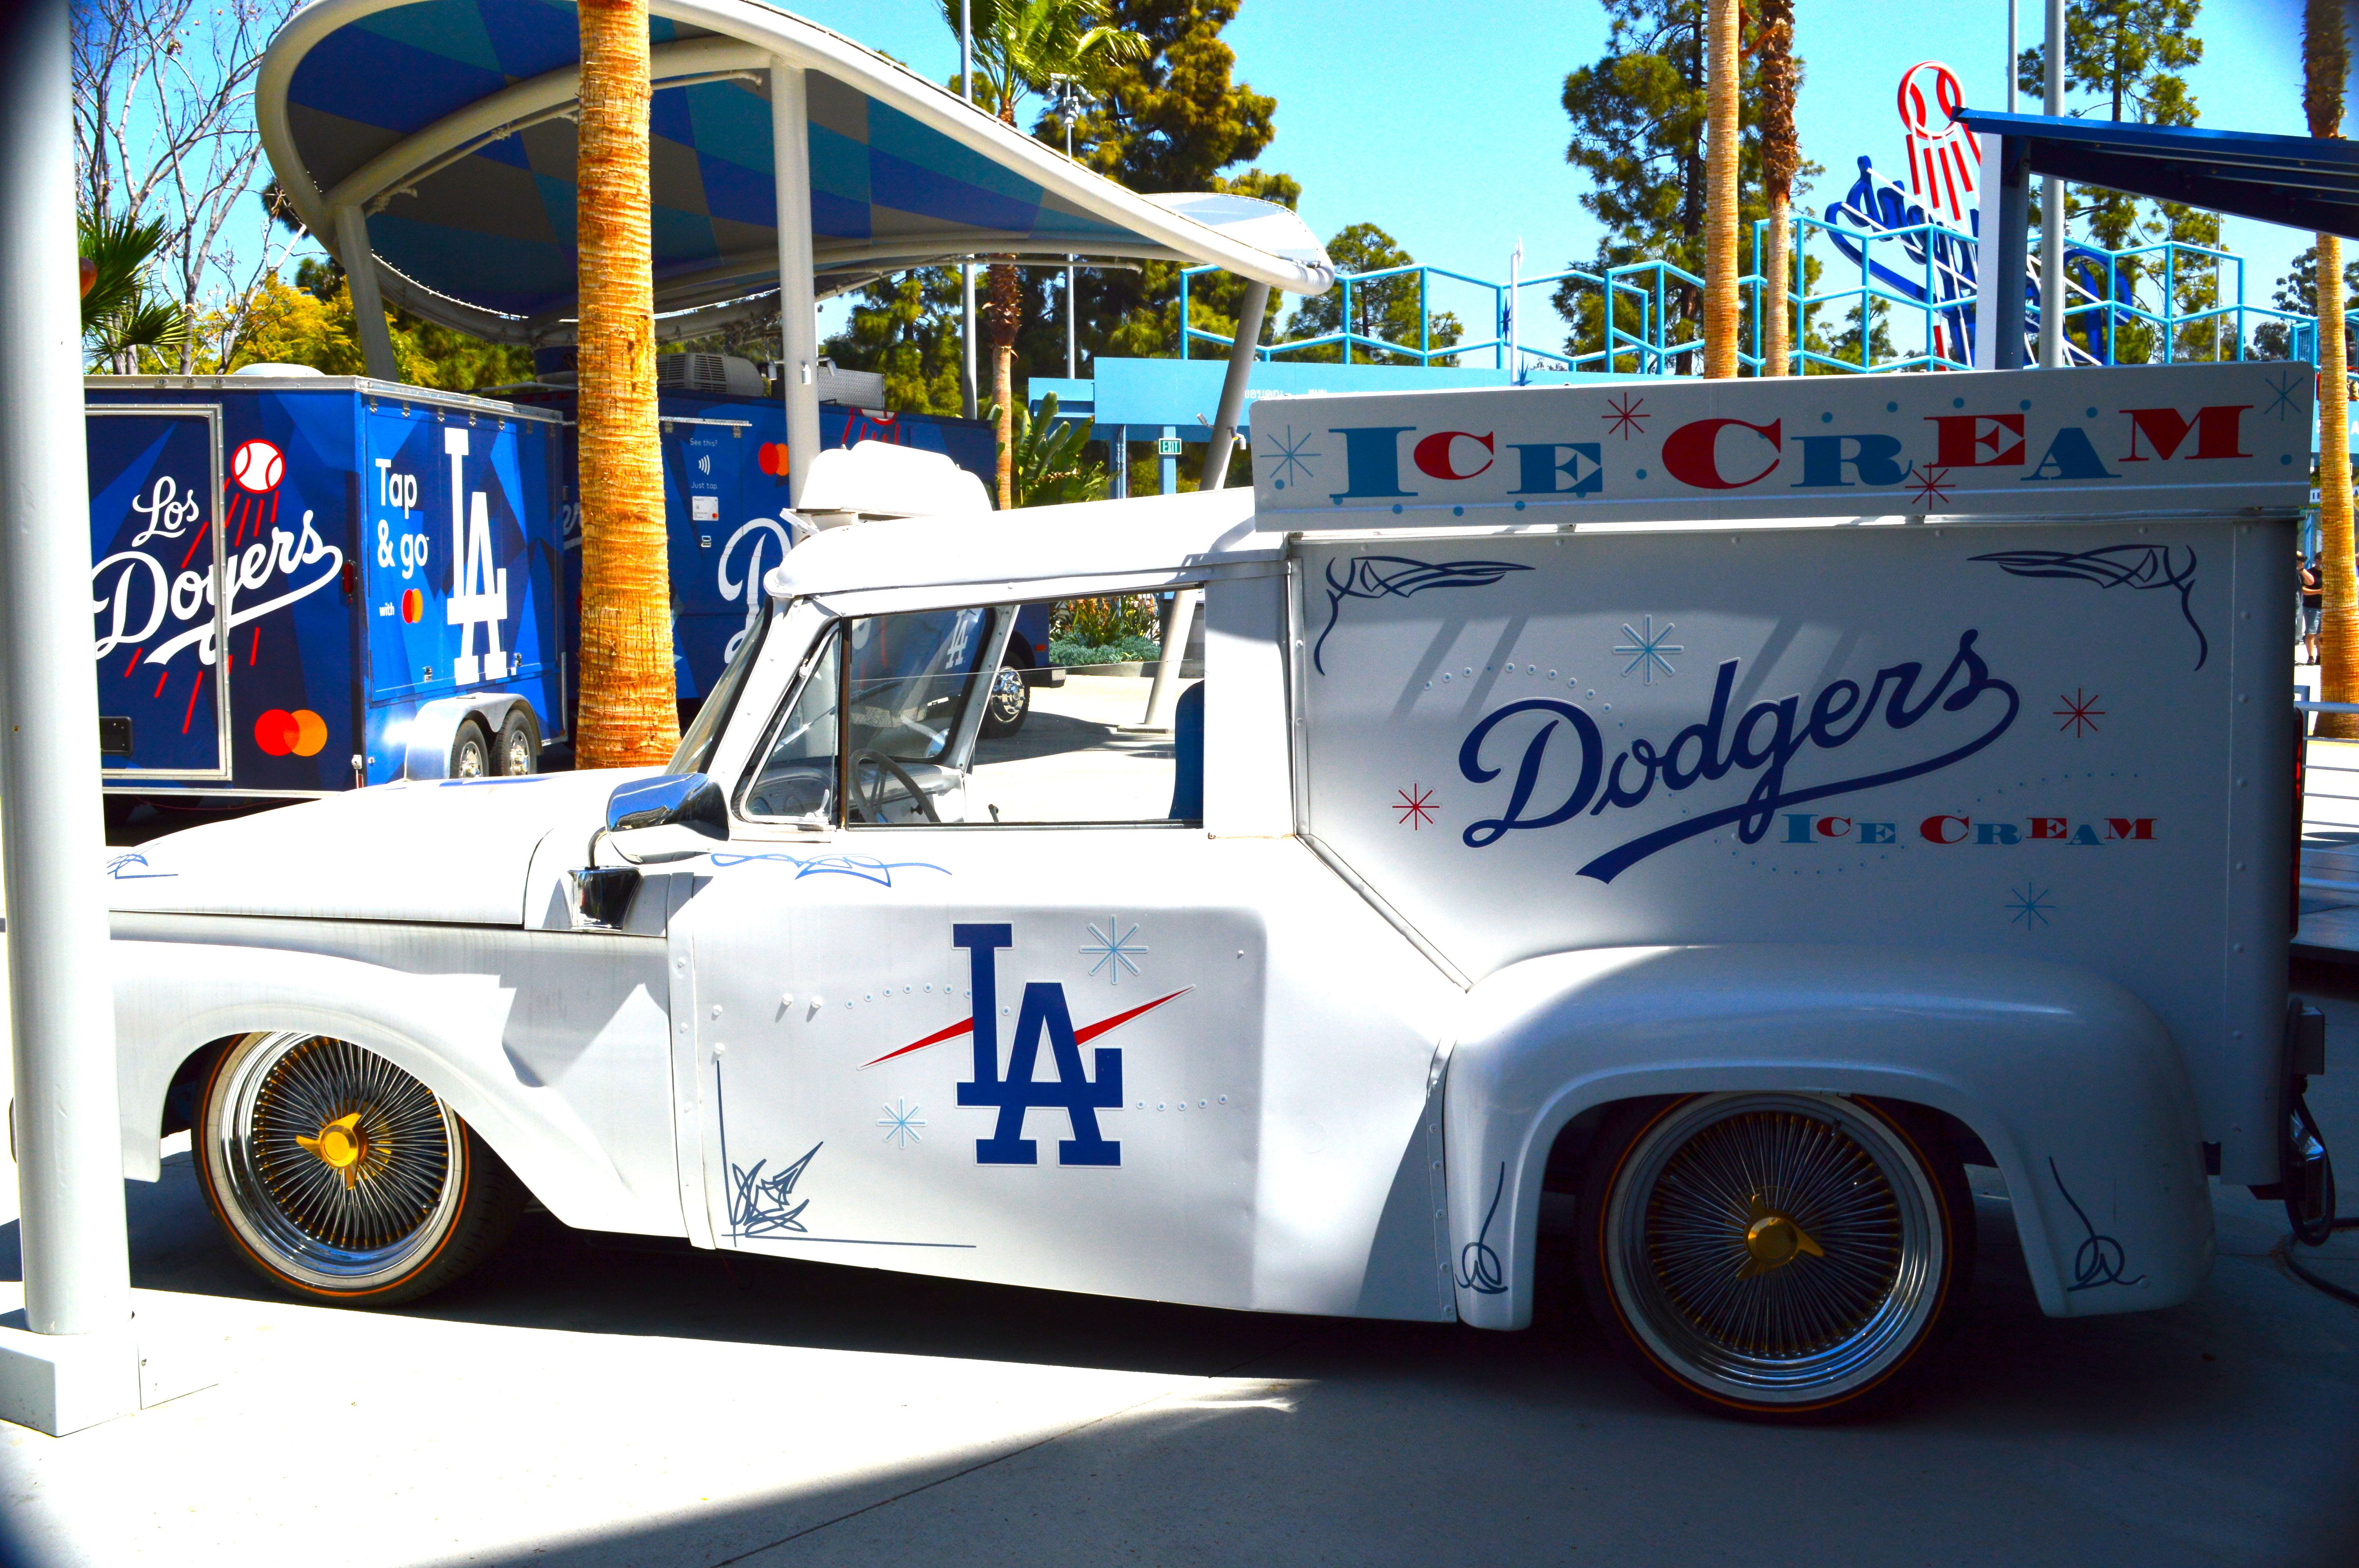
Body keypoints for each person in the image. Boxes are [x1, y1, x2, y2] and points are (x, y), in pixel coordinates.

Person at [2302, 550, 2323, 665]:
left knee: (2321, 634)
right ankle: (2311, 657)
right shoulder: (2310, 573)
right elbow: (2304, 591)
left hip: (2324, 607)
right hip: (2312, 607)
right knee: (2311, 633)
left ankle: (2320, 656)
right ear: (2317, 561)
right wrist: (2319, 592)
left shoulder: (2328, 573)